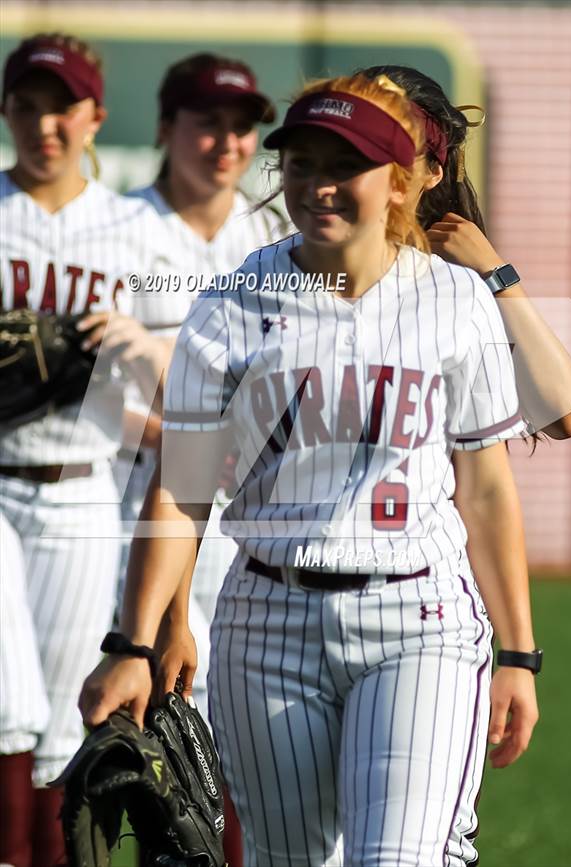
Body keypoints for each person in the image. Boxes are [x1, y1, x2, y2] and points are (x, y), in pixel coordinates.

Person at [80, 72, 541, 866]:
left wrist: (520, 654)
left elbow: (488, 489)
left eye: (345, 164)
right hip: (265, 620)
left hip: (418, 615)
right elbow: (182, 486)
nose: (318, 184)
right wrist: (134, 640)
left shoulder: (457, 300)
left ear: (399, 182)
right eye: (300, 163)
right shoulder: (230, 303)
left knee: (398, 856)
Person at [0, 33, 174, 867]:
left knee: (63, 721)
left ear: (95, 116)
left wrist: (141, 343)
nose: (44, 124)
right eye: (26, 105)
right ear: (5, 112)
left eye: (61, 106)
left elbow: (192, 394)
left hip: (81, 489)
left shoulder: (136, 229)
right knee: (8, 702)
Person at [119, 51, 289, 718]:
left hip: (242, 507)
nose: (228, 143)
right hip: (126, 493)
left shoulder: (277, 235)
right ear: (164, 128)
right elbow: (91, 383)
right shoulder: (118, 226)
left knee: (229, 710)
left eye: (242, 127)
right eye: (207, 123)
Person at [362, 63, 571, 440]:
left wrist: (497, 275)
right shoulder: (278, 265)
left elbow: (563, 414)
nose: (372, 169)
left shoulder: (458, 286)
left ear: (433, 172)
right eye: (355, 147)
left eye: (395, 152)